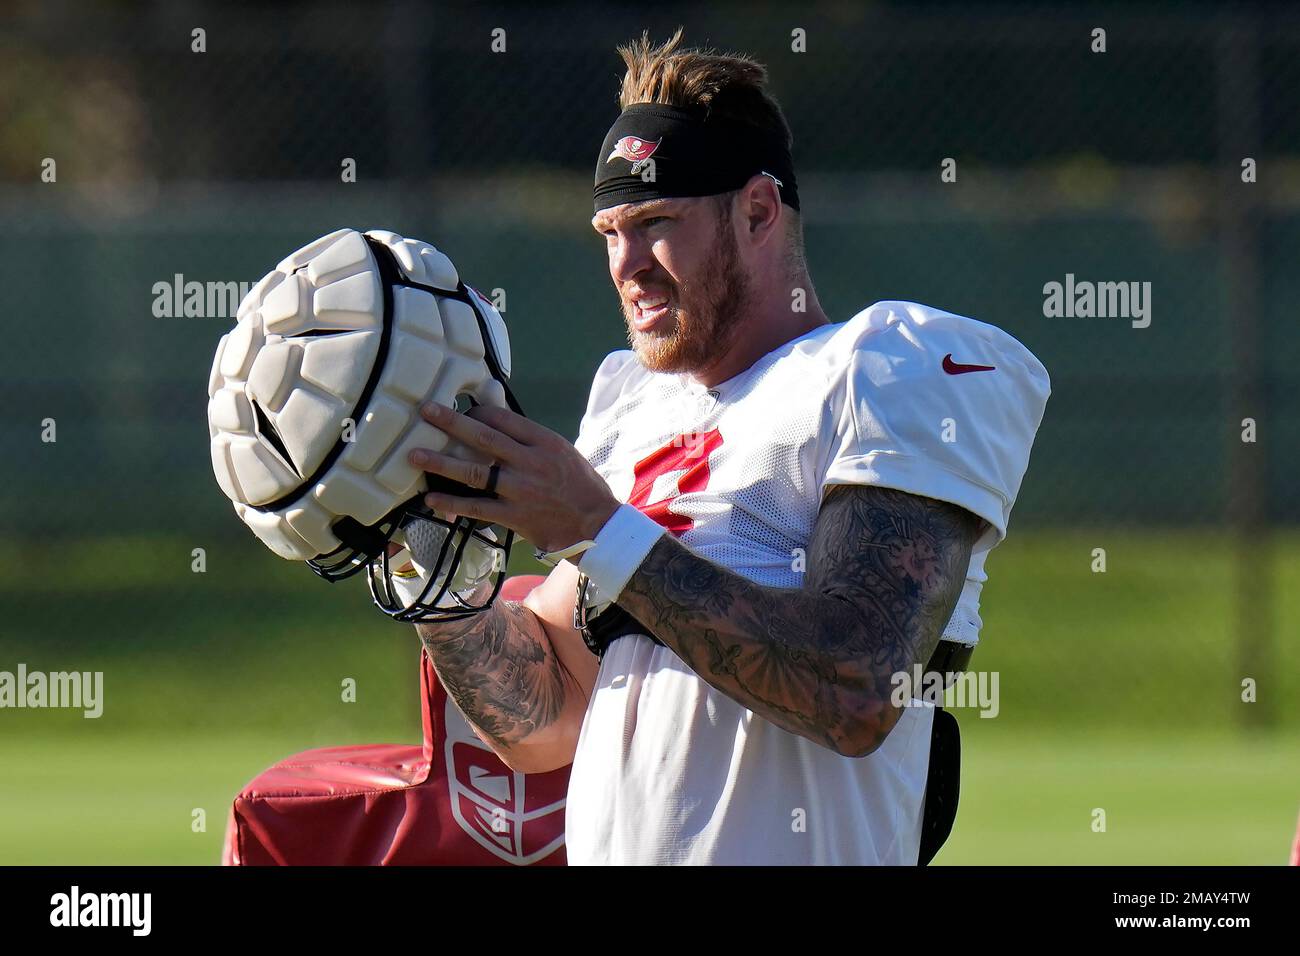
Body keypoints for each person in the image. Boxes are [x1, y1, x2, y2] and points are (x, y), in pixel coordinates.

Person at [405, 29, 1050, 864]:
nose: (626, 264)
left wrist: (601, 531)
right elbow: (544, 719)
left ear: (756, 211)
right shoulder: (633, 406)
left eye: (655, 223)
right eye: (610, 231)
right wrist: (429, 558)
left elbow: (853, 685)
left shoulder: (886, 365)